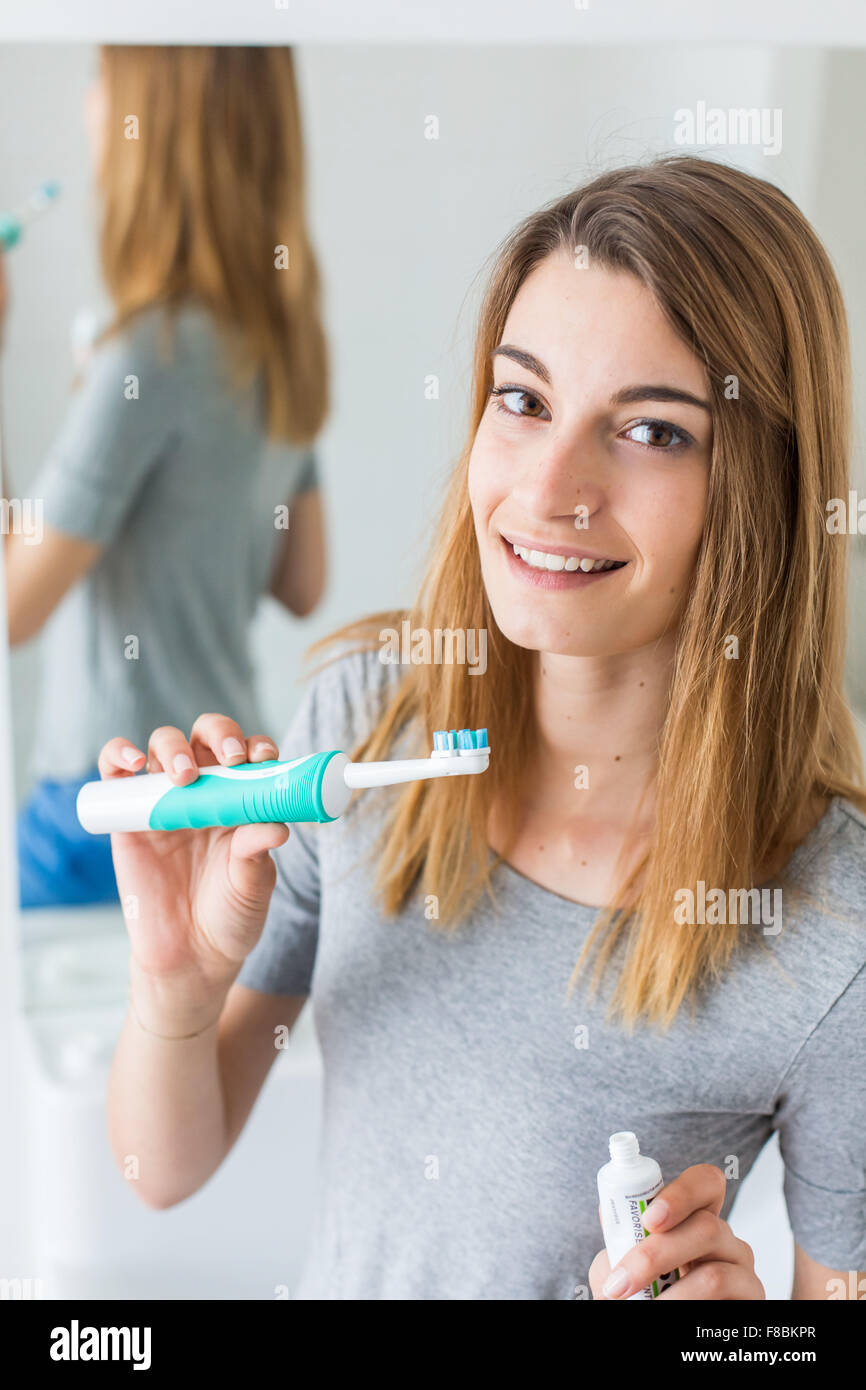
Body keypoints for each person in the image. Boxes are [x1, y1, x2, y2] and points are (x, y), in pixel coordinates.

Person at [100, 156, 866, 1299]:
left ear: (758, 483)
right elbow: (159, 1171)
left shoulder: (832, 934)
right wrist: (174, 985)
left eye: (651, 431)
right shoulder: (362, 720)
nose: (549, 483)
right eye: (523, 399)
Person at [2, 45, 328, 907]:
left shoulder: (150, 352)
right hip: (231, 787)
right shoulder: (283, 343)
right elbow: (303, 582)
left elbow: (9, 606)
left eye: (102, 77)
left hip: (112, 801)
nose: (88, 105)